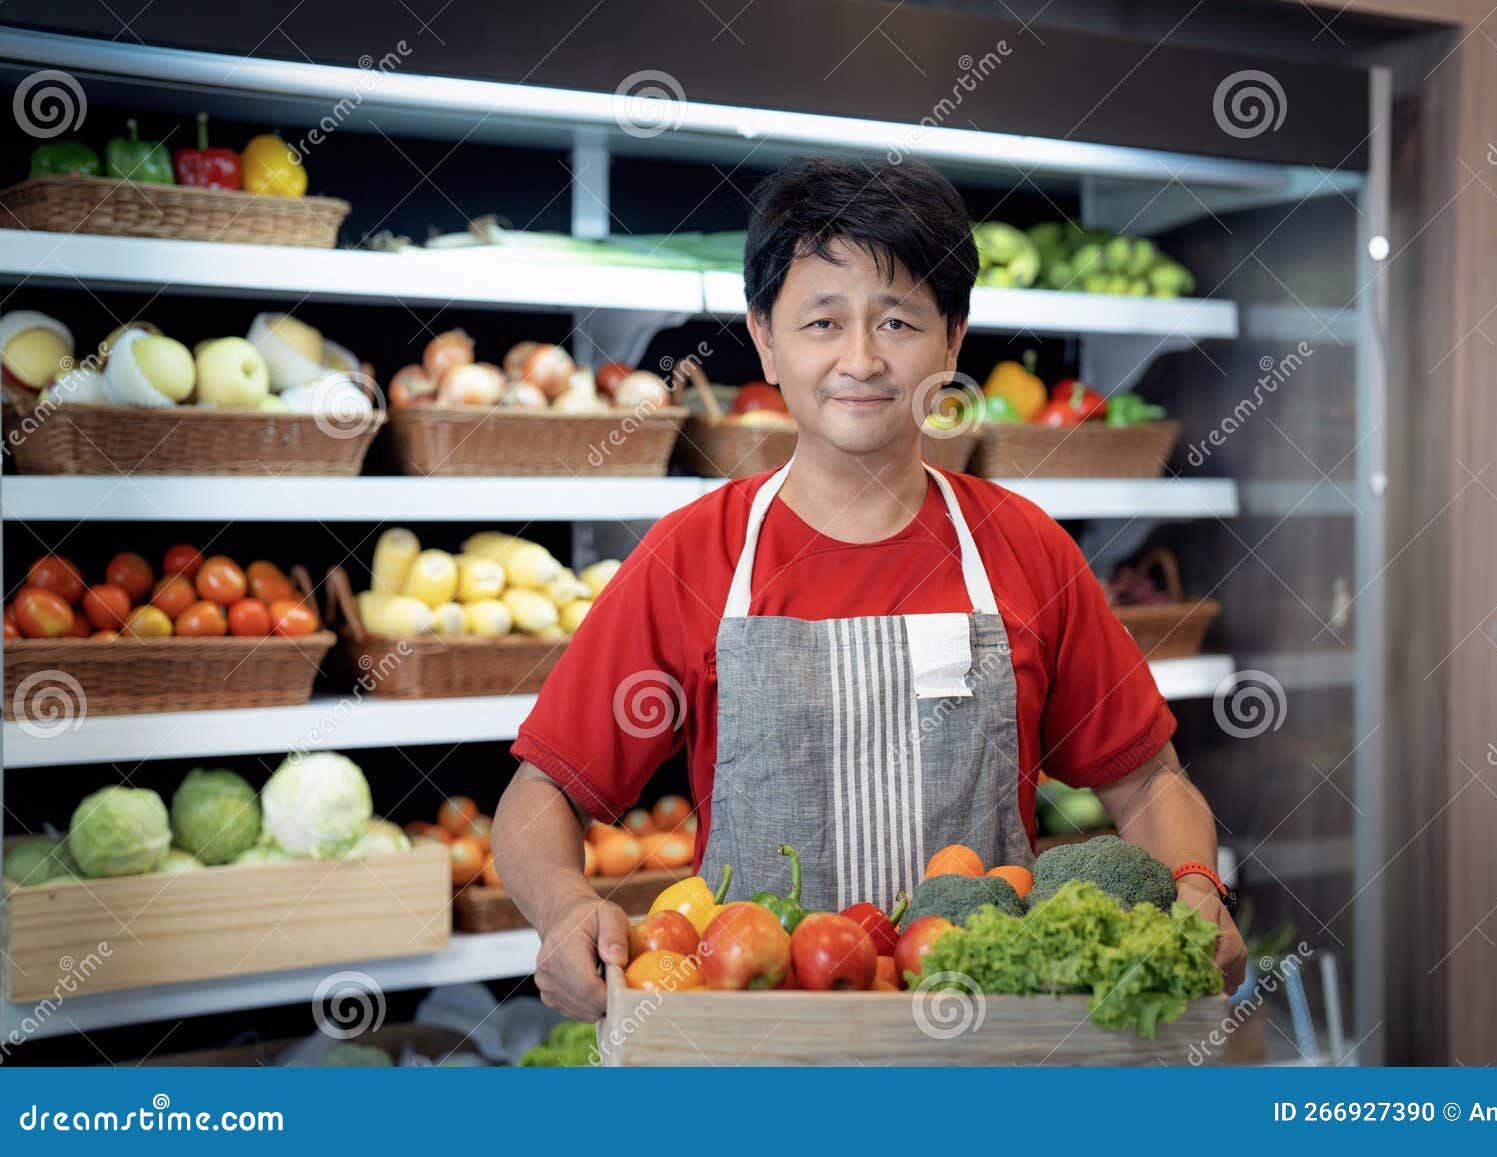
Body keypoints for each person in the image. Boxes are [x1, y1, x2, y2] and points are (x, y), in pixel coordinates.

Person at [493, 156, 1246, 1021]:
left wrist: (1196, 887)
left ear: (953, 340)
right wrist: (563, 906)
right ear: (766, 340)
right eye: (821, 321)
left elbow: (1150, 783)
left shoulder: (1024, 548)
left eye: (897, 321)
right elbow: (540, 791)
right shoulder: (694, 555)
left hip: (991, 1039)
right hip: (756, 1042)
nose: (861, 358)